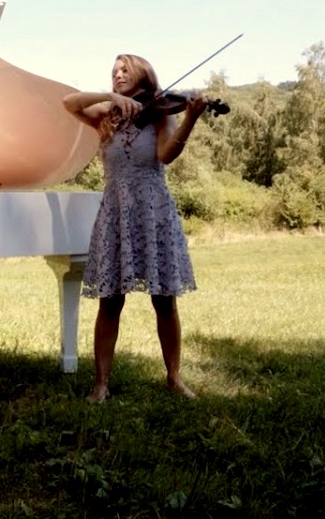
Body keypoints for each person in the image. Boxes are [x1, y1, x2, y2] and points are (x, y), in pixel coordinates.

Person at [63, 54, 208, 402]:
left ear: (143, 74)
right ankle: (101, 385)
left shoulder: (160, 114)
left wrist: (189, 118)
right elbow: (69, 102)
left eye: (125, 70)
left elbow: (166, 156)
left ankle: (174, 378)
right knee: (109, 302)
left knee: (164, 301)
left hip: (153, 211)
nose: (118, 74)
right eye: (114, 72)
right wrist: (111, 98)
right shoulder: (106, 116)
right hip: (116, 212)